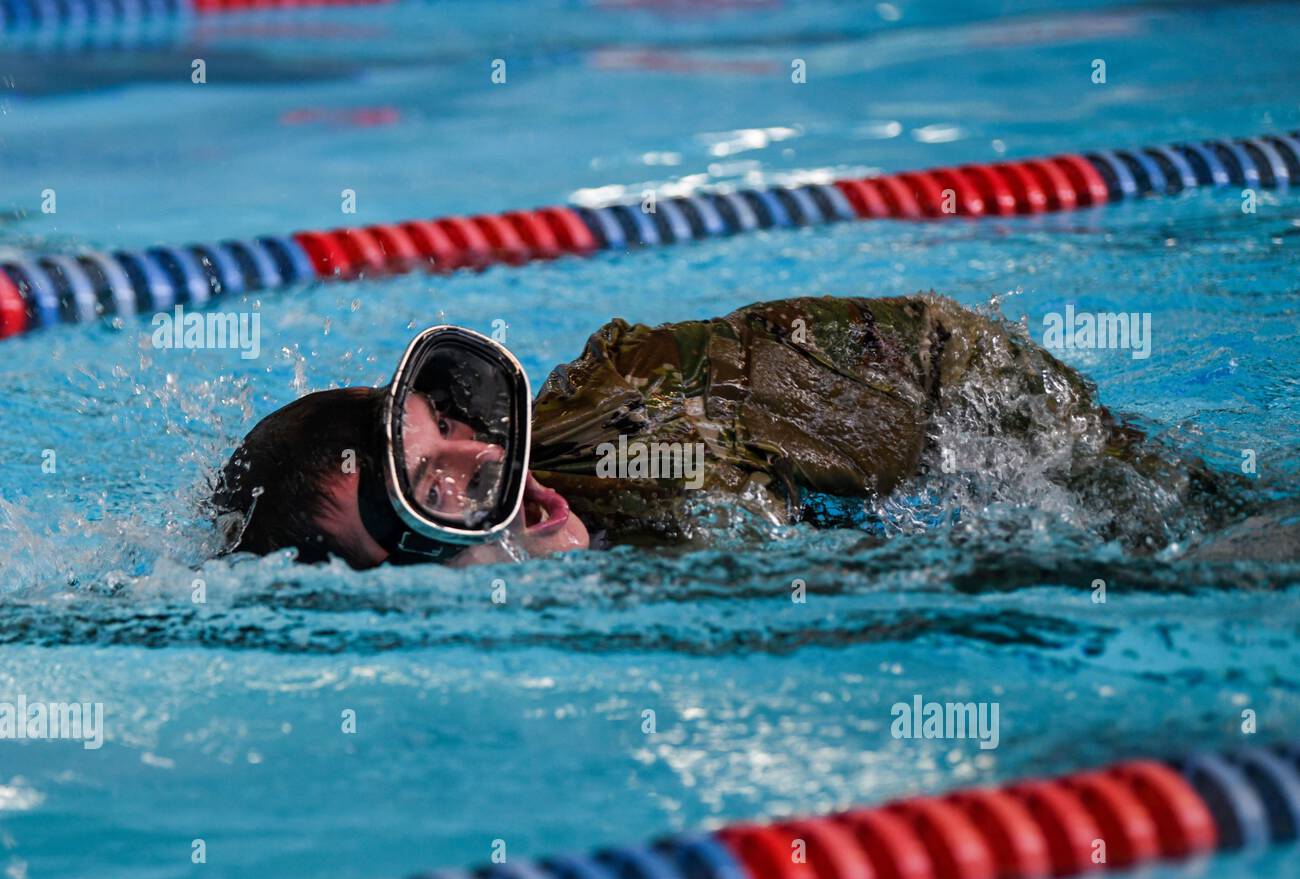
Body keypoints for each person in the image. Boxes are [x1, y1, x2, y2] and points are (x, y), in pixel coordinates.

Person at [208, 294, 1246, 569]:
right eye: (441, 493)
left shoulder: (654, 471)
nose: (492, 460)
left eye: (452, 424)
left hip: (972, 398)